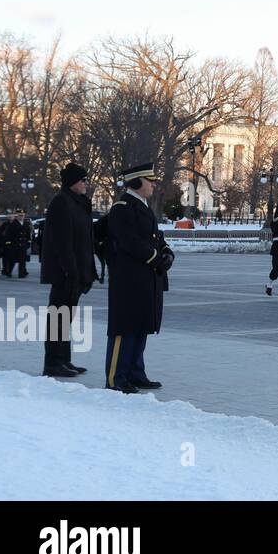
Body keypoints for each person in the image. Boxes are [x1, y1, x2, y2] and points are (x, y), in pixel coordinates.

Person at [104, 163, 173, 393]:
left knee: (141, 325)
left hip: (145, 278)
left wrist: (166, 252)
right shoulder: (122, 207)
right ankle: (117, 377)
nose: (154, 184)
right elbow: (129, 241)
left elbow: (154, 237)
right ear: (135, 182)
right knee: (125, 328)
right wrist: (155, 257)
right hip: (129, 279)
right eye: (149, 180)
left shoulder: (142, 205)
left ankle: (135, 372)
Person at [41, 162, 98, 378]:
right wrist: (71, 271)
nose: (86, 183)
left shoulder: (77, 202)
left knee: (65, 317)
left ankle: (63, 360)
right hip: (65, 273)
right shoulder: (61, 202)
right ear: (73, 182)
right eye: (83, 180)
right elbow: (62, 243)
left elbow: (84, 238)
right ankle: (53, 362)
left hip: (75, 272)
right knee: (58, 317)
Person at [0, 208, 30, 278]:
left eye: (22, 215)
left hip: (23, 244)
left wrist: (28, 241)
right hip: (15, 244)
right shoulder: (13, 223)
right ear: (17, 216)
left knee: (22, 261)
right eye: (20, 215)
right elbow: (8, 234)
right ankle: (8, 272)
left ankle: (21, 274)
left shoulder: (26, 223)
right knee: (12, 260)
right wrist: (8, 243)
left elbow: (28, 234)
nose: (21, 217)